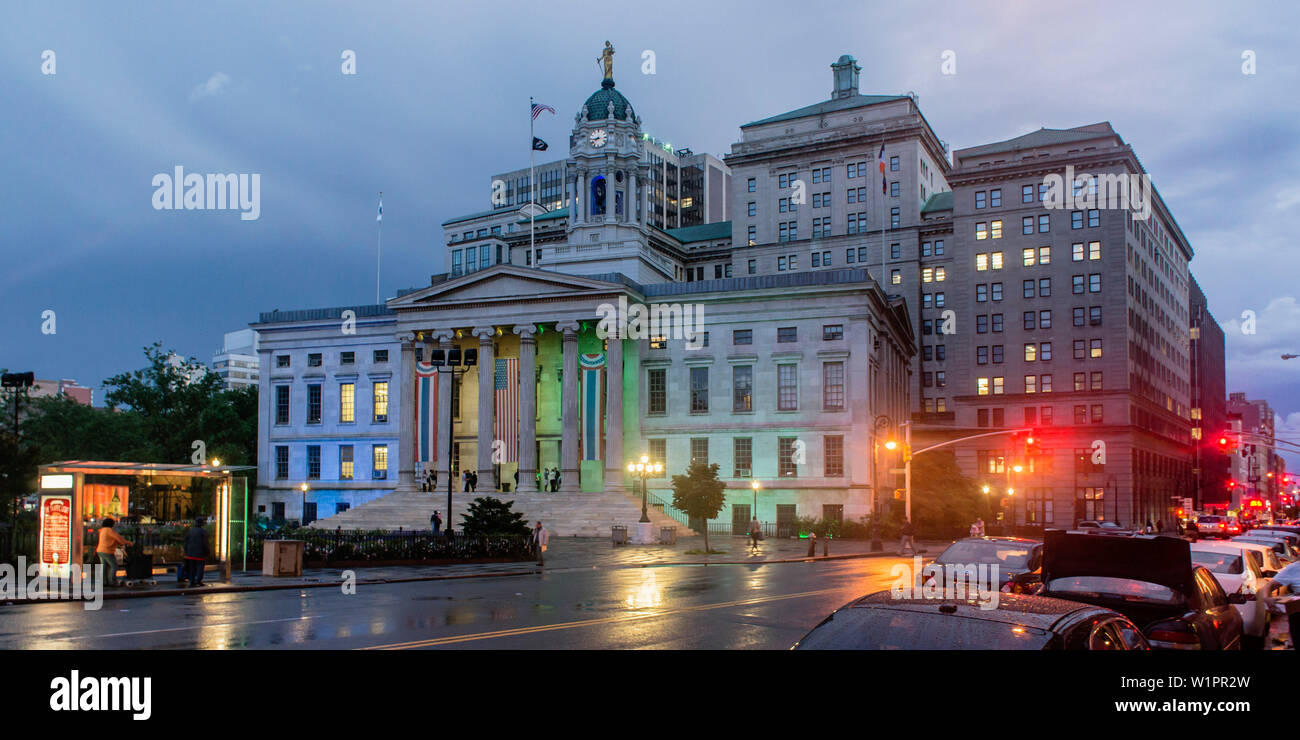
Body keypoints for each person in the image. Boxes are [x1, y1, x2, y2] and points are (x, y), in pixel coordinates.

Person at [95, 518, 131, 587]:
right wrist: (128, 542)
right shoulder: (109, 530)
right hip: (107, 551)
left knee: (104, 566)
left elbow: (114, 539)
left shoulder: (103, 530)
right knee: (114, 566)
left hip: (100, 550)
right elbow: (118, 538)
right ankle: (112, 581)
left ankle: (104, 582)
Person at [183, 517, 210, 586]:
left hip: (190, 554)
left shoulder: (190, 531)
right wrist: (207, 552)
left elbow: (186, 541)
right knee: (200, 568)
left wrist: (186, 551)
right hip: (200, 554)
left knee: (192, 568)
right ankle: (198, 580)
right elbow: (205, 543)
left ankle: (192, 581)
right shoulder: (203, 532)